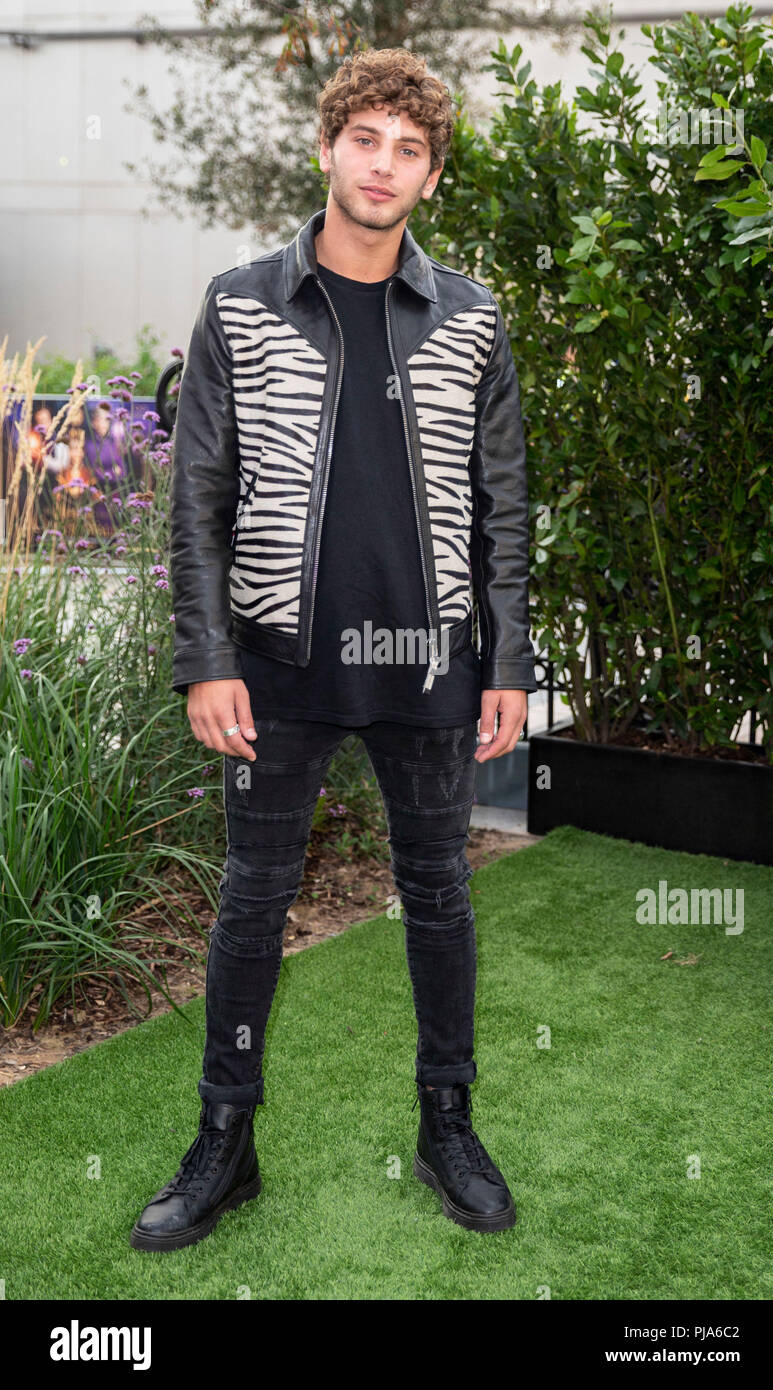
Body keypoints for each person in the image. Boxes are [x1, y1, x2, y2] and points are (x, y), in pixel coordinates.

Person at [131, 46, 537, 1252]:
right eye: (366, 139)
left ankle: (447, 1125)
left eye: (409, 149)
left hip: (428, 662)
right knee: (250, 905)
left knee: (439, 895)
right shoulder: (239, 302)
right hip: (275, 662)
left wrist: (507, 662)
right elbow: (197, 493)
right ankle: (225, 1141)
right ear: (327, 150)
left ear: (430, 175)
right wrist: (206, 654)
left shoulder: (471, 319)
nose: (384, 164)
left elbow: (501, 506)